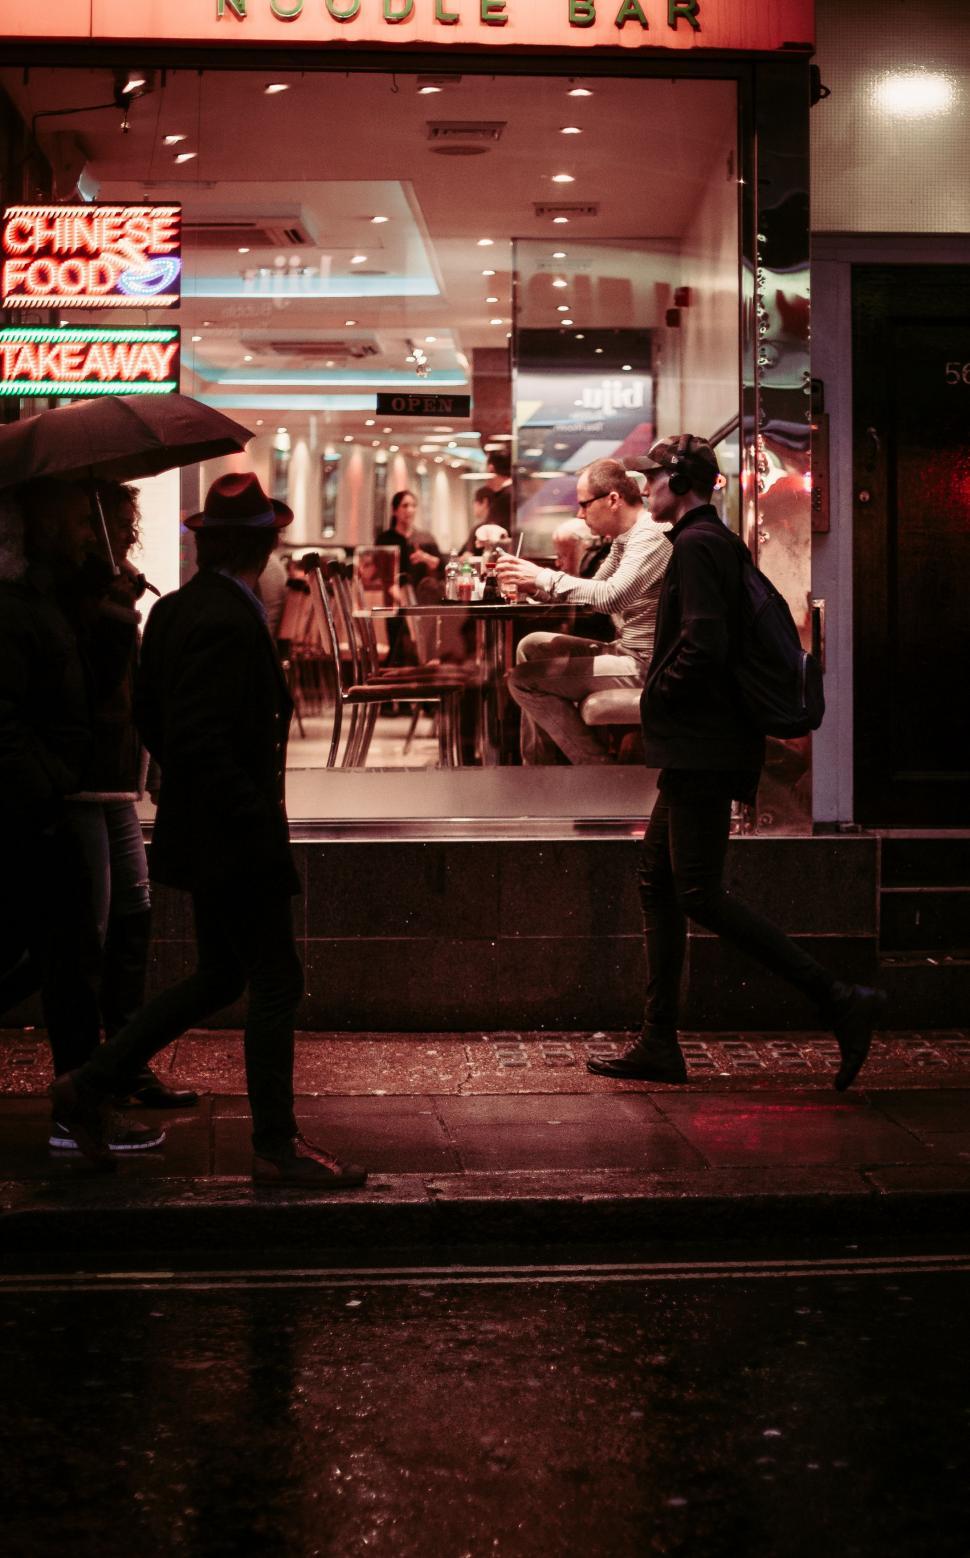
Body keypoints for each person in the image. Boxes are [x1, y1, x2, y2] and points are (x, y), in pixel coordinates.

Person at [51, 471, 368, 1187]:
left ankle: (89, 1083)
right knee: (276, 979)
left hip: (204, 827)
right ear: (264, 546)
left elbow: (157, 722)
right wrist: (251, 817)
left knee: (222, 972)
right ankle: (276, 1146)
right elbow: (200, 736)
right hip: (235, 833)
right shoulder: (229, 619)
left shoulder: (178, 612)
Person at [587, 434, 887, 1090]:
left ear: (679, 481)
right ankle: (659, 1040)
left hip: (703, 745)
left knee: (696, 890)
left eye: (654, 480)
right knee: (658, 882)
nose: (645, 491)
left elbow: (706, 645)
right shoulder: (709, 542)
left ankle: (838, 998)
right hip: (704, 744)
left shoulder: (696, 546)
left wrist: (655, 698)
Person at [0, 480, 163, 1152]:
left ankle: (93, 1087)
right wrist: (52, 785)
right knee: (67, 952)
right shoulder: (23, 606)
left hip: (71, 789)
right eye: (73, 523)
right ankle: (84, 1099)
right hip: (55, 799)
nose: (86, 534)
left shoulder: (56, 595)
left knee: (75, 947)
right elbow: (20, 716)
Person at [61, 481, 198, 1114]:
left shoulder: (117, 587)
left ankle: (123, 1057)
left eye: (122, 523)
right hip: (82, 779)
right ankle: (87, 1075)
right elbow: (90, 680)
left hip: (117, 775)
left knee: (133, 911)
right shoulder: (67, 595)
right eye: (104, 523)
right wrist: (117, 615)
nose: (115, 536)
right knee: (88, 926)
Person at [495, 459, 670, 765]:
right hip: (627, 651)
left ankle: (595, 770)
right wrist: (531, 585)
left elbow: (613, 596)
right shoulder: (624, 539)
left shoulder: (651, 534)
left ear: (612, 499)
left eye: (585, 504)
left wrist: (541, 576)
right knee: (532, 645)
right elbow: (593, 595)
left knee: (522, 680)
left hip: (648, 664)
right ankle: (542, 768)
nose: (579, 514)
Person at [375, 490, 441, 589]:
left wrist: (425, 558)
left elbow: (440, 566)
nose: (410, 510)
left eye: (413, 506)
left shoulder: (426, 538)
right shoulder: (384, 539)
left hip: (421, 596)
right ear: (394, 510)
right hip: (392, 594)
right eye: (405, 506)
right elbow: (377, 571)